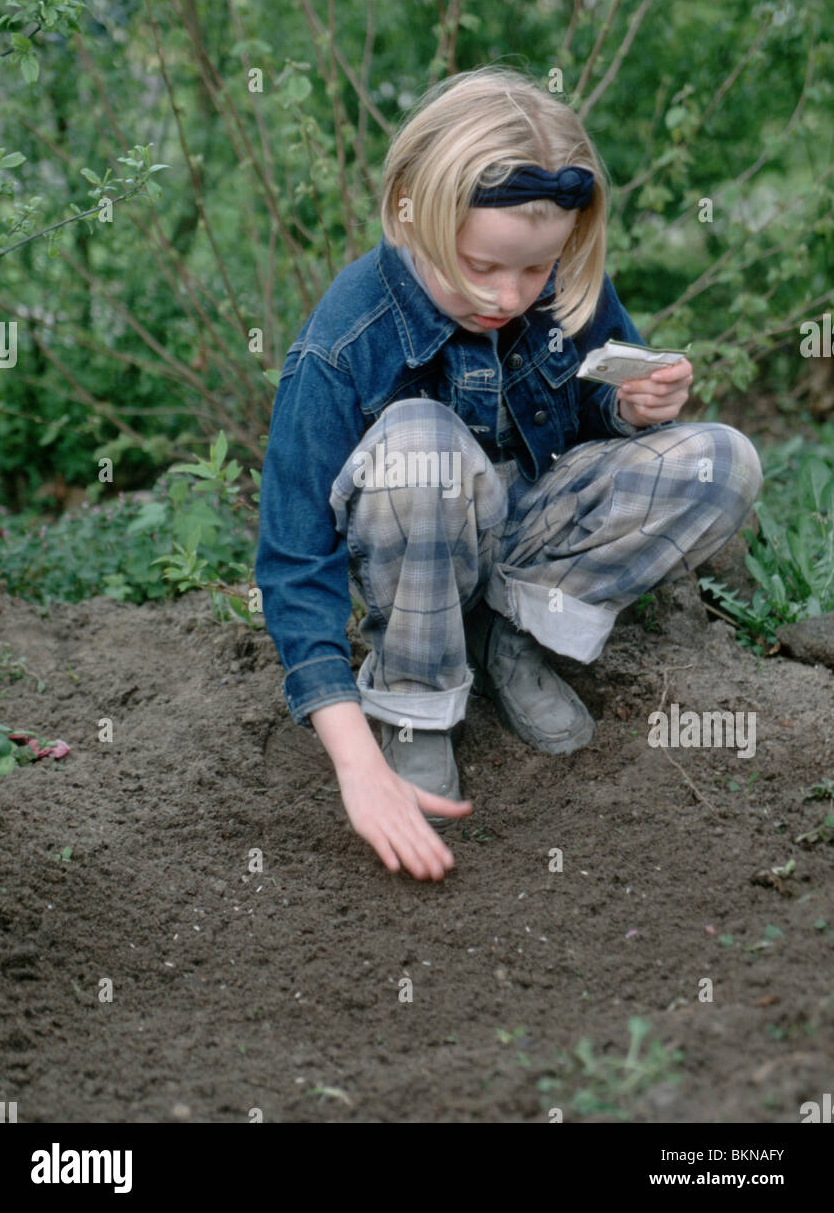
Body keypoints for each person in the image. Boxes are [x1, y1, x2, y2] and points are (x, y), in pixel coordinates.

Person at [255, 65, 763, 883]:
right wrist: (351, 759)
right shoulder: (343, 344)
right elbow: (292, 558)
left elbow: (591, 420)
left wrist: (634, 409)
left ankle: (512, 637)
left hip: (526, 532)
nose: (508, 294)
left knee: (720, 460)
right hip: (415, 566)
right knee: (421, 438)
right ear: (410, 213)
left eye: (535, 270)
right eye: (480, 266)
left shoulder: (558, 290)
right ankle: (414, 701)